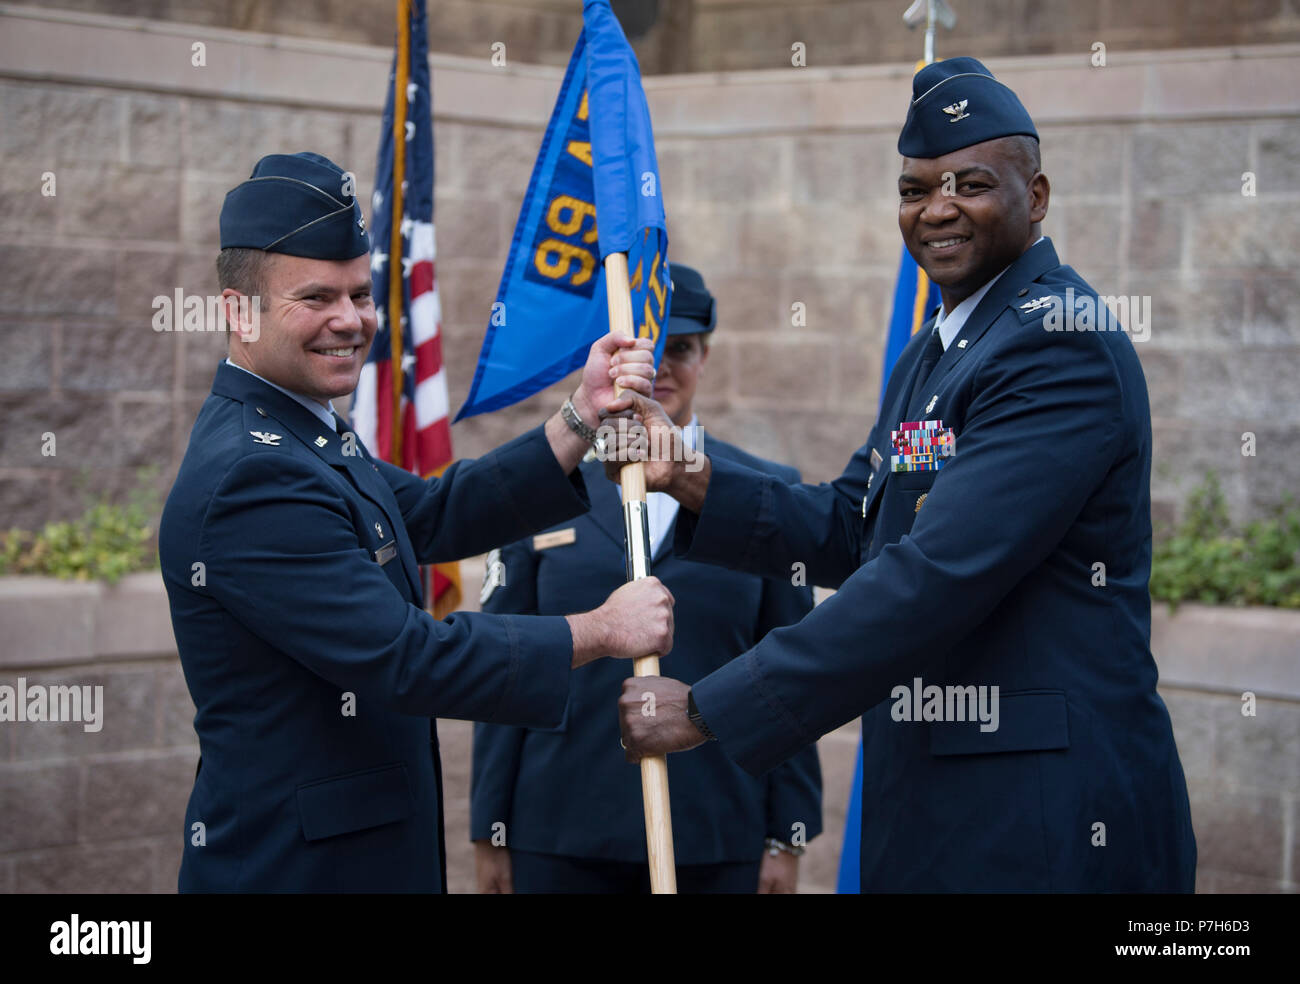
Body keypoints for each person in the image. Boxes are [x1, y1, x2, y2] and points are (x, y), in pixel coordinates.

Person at [613, 58, 1197, 892]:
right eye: (915, 189)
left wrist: (709, 709)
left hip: (1044, 821)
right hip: (943, 805)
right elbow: (858, 527)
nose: (938, 209)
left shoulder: (1055, 345)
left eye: (969, 183)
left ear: (1035, 197)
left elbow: (933, 577)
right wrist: (687, 476)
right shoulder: (937, 350)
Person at [159, 151, 673, 893]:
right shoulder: (254, 473)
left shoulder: (303, 431)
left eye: (360, 294)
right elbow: (408, 657)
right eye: (317, 298)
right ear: (238, 312)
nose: (351, 321)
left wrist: (580, 416)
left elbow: (432, 512)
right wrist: (600, 630)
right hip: (299, 872)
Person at [470, 264, 823, 894]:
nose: (663, 369)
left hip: (715, 829)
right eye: (648, 352)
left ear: (705, 356)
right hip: (559, 831)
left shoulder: (765, 494)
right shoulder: (539, 491)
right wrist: (489, 827)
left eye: (682, 349)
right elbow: (508, 668)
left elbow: (791, 668)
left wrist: (785, 834)